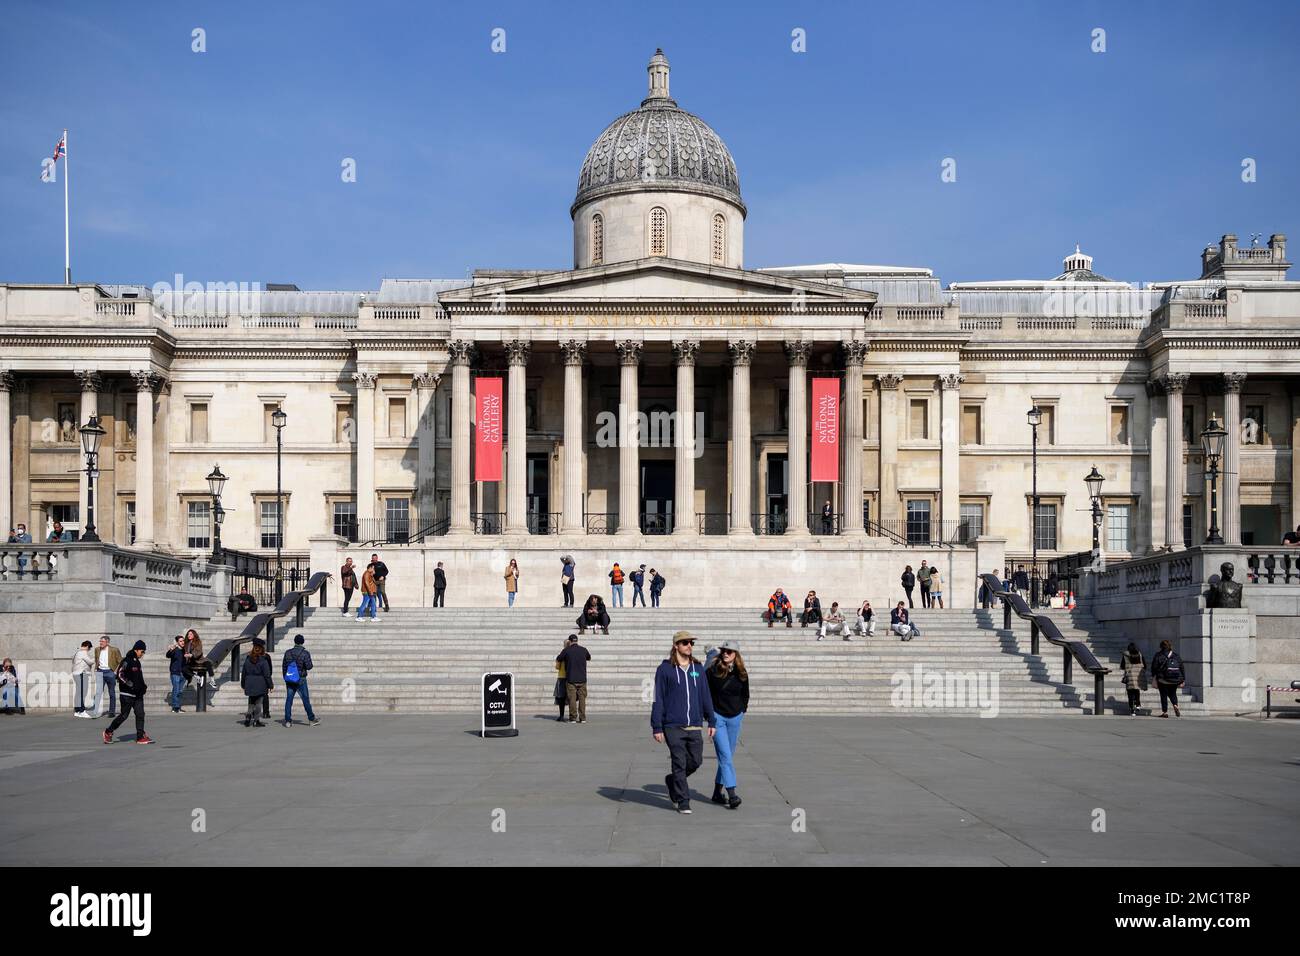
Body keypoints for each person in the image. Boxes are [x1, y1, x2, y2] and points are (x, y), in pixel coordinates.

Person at [650, 631, 716, 815]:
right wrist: (657, 726)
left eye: (691, 643)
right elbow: (658, 699)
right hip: (672, 725)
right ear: (676, 646)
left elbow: (705, 695)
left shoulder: (698, 668)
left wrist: (711, 720)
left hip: (694, 724)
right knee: (679, 761)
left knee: (695, 761)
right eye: (685, 642)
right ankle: (683, 800)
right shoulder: (664, 670)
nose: (689, 646)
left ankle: (673, 781)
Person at [707, 641, 748, 810]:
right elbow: (706, 695)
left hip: (735, 718)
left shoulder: (742, 673)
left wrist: (742, 711)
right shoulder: (713, 671)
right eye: (724, 651)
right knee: (725, 755)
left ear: (736, 655)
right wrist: (710, 717)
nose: (725, 654)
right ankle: (732, 795)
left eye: (729, 651)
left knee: (727, 757)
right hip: (718, 718)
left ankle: (717, 792)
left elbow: (745, 694)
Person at [103, 641, 151, 744]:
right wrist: (130, 685)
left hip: (138, 694)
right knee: (124, 716)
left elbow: (139, 677)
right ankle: (108, 731)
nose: (142, 654)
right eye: (142, 651)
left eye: (144, 652)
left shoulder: (137, 662)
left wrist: (143, 687)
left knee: (140, 714)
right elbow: (120, 674)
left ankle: (140, 737)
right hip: (127, 694)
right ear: (136, 650)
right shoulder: (126, 661)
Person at [282, 634, 320, 726]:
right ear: (302, 642)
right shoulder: (305, 653)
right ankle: (311, 719)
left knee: (289, 700)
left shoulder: (288, 652)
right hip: (301, 679)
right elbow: (309, 666)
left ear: (295, 642)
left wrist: (285, 677)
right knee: (305, 699)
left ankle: (287, 720)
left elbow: (284, 666)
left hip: (290, 678)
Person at [556, 633, 591, 724]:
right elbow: (589, 657)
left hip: (571, 678)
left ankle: (573, 718)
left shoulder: (567, 650)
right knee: (582, 698)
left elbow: (559, 658)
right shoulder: (583, 649)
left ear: (570, 641)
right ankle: (582, 718)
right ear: (577, 641)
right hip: (582, 678)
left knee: (572, 699)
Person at [240, 638, 273, 728]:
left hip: (249, 683)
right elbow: (267, 674)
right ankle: (256, 720)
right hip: (260, 684)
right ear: (262, 648)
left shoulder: (247, 659)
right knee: (258, 703)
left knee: (251, 701)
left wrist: (243, 684)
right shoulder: (263, 660)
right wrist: (270, 685)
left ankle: (248, 717)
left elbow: (244, 673)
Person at [1151, 639, 1184, 718]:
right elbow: (1181, 667)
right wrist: (1183, 679)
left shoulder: (1158, 655)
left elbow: (1154, 666)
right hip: (1175, 679)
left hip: (1163, 679)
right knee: (1173, 694)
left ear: (1161, 646)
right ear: (1170, 646)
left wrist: (1154, 675)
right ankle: (1175, 705)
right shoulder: (1176, 655)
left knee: (1163, 695)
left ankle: (1165, 712)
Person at [90, 635, 122, 718]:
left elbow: (120, 661)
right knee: (98, 693)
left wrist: (115, 672)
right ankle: (95, 711)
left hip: (110, 672)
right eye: (100, 641)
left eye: (102, 641)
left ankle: (111, 712)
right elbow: (97, 660)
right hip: (100, 672)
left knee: (111, 693)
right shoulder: (97, 650)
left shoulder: (114, 650)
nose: (100, 643)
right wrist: (96, 670)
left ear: (107, 642)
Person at [1121, 643, 1147, 717]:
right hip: (1138, 675)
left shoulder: (1125, 655)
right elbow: (1144, 665)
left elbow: (1122, 666)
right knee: (1136, 690)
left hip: (1129, 675)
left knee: (1130, 693)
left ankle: (1132, 711)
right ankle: (1138, 704)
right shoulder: (1140, 655)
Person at [165, 635, 188, 713]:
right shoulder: (175, 650)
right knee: (176, 690)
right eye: (181, 641)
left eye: (183, 641)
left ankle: (177, 707)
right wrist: (171, 649)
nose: (182, 642)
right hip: (175, 673)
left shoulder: (184, 650)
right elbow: (168, 655)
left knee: (179, 691)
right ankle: (175, 707)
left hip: (183, 674)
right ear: (178, 642)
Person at [72, 640, 94, 717]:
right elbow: (90, 662)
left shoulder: (77, 653)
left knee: (78, 692)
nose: (89, 650)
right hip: (81, 673)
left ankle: (77, 711)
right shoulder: (83, 653)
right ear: (87, 647)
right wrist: (96, 657)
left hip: (76, 673)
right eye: (89, 648)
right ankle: (82, 710)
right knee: (82, 693)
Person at [553, 638, 571, 721]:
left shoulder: (561, 654)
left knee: (561, 698)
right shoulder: (572, 653)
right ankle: (572, 715)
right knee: (571, 697)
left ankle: (561, 715)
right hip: (571, 677)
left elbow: (557, 667)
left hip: (562, 677)